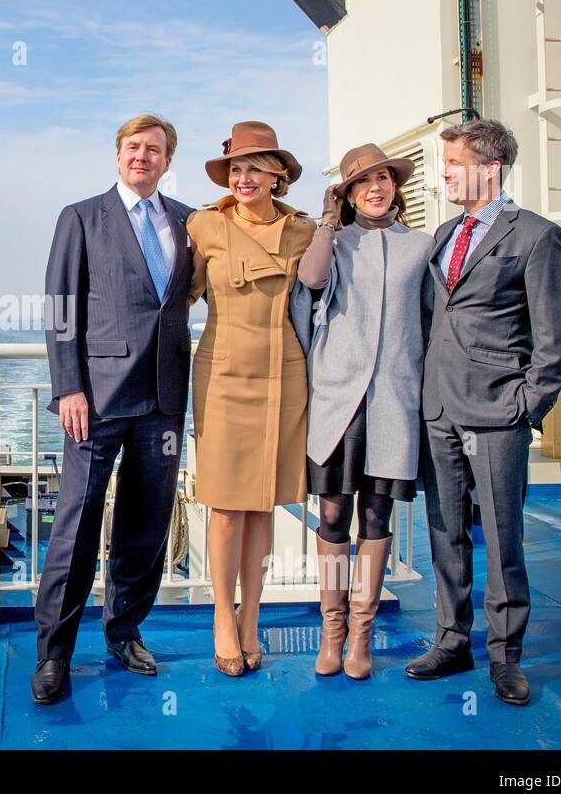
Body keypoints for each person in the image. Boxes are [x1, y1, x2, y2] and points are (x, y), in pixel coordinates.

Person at [405, 118, 561, 707]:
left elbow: (553, 337)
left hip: (499, 411)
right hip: (440, 408)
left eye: (452, 164)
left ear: (490, 167)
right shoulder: (445, 233)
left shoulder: (536, 236)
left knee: (503, 537)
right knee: (445, 531)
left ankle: (506, 656)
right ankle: (452, 640)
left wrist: (528, 405)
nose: (444, 174)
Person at [32, 114, 195, 706]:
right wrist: (67, 387)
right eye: (133, 148)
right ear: (117, 155)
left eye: (154, 150)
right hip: (95, 399)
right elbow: (59, 308)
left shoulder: (186, 220)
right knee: (75, 524)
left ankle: (124, 632)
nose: (142, 158)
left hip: (164, 398)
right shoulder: (81, 217)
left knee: (146, 523)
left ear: (167, 159)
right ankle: (55, 651)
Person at [296, 143, 434, 680]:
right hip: (338, 401)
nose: (375, 188)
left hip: (394, 401)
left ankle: (361, 636)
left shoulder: (421, 246)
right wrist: (328, 225)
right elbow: (309, 282)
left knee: (376, 517)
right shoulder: (333, 242)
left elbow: (430, 318)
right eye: (362, 182)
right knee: (332, 514)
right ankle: (331, 632)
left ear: (396, 187)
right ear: (348, 194)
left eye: (383, 179)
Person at [187, 121, 315, 676]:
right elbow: (175, 295)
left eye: (255, 168)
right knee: (225, 503)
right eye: (236, 168)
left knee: (263, 500)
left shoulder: (303, 231)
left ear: (278, 175)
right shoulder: (204, 226)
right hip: (222, 375)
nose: (244, 178)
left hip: (283, 377)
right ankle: (221, 616)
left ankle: (251, 618)